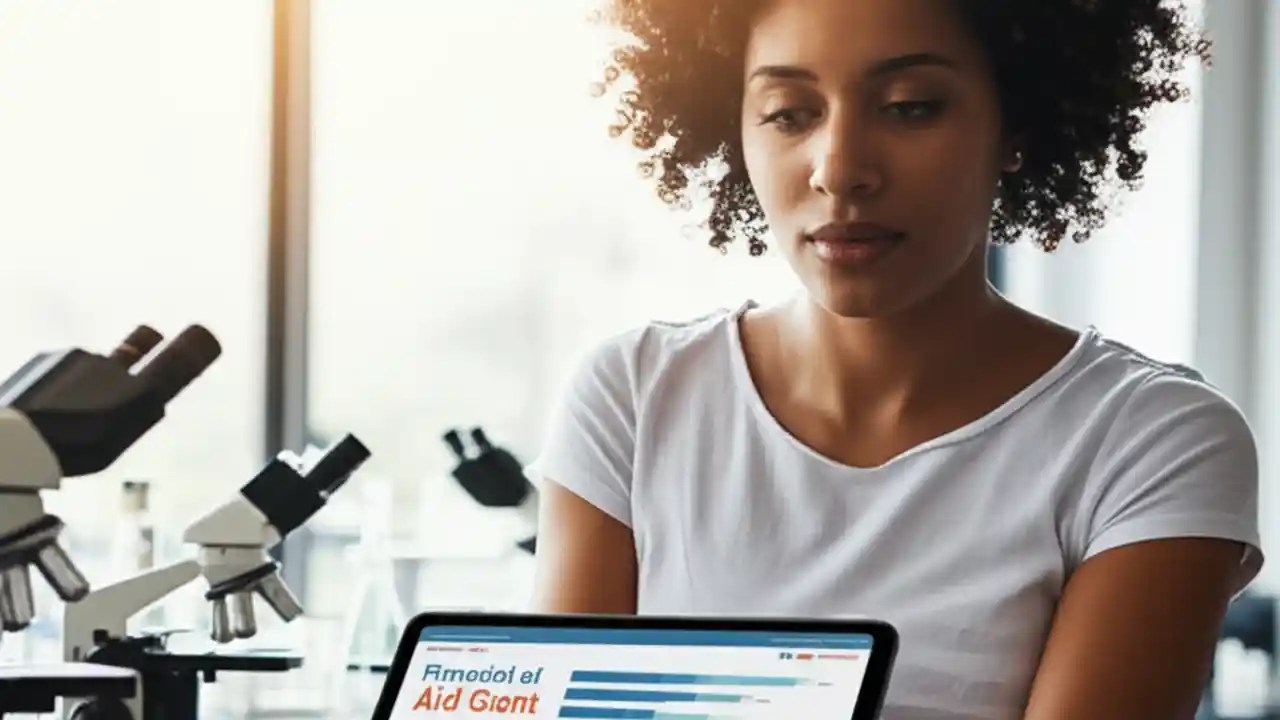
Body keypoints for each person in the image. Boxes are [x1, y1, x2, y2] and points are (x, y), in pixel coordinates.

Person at [527, 0, 1264, 717]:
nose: (839, 168)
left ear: (1018, 122)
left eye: (910, 106)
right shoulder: (633, 398)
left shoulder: (1152, 439)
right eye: (789, 112)